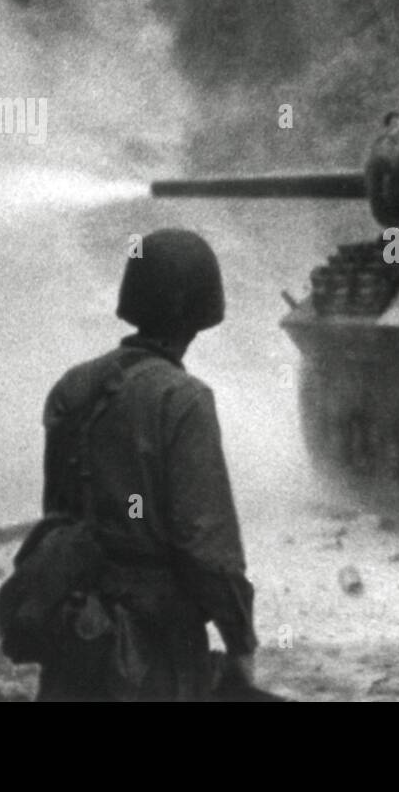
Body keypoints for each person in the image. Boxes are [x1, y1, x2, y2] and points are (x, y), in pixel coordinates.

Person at [37, 228, 256, 700]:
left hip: (75, 634)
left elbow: (57, 517)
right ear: (200, 312)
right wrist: (241, 643)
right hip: (153, 651)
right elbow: (206, 547)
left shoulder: (72, 387)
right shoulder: (184, 400)